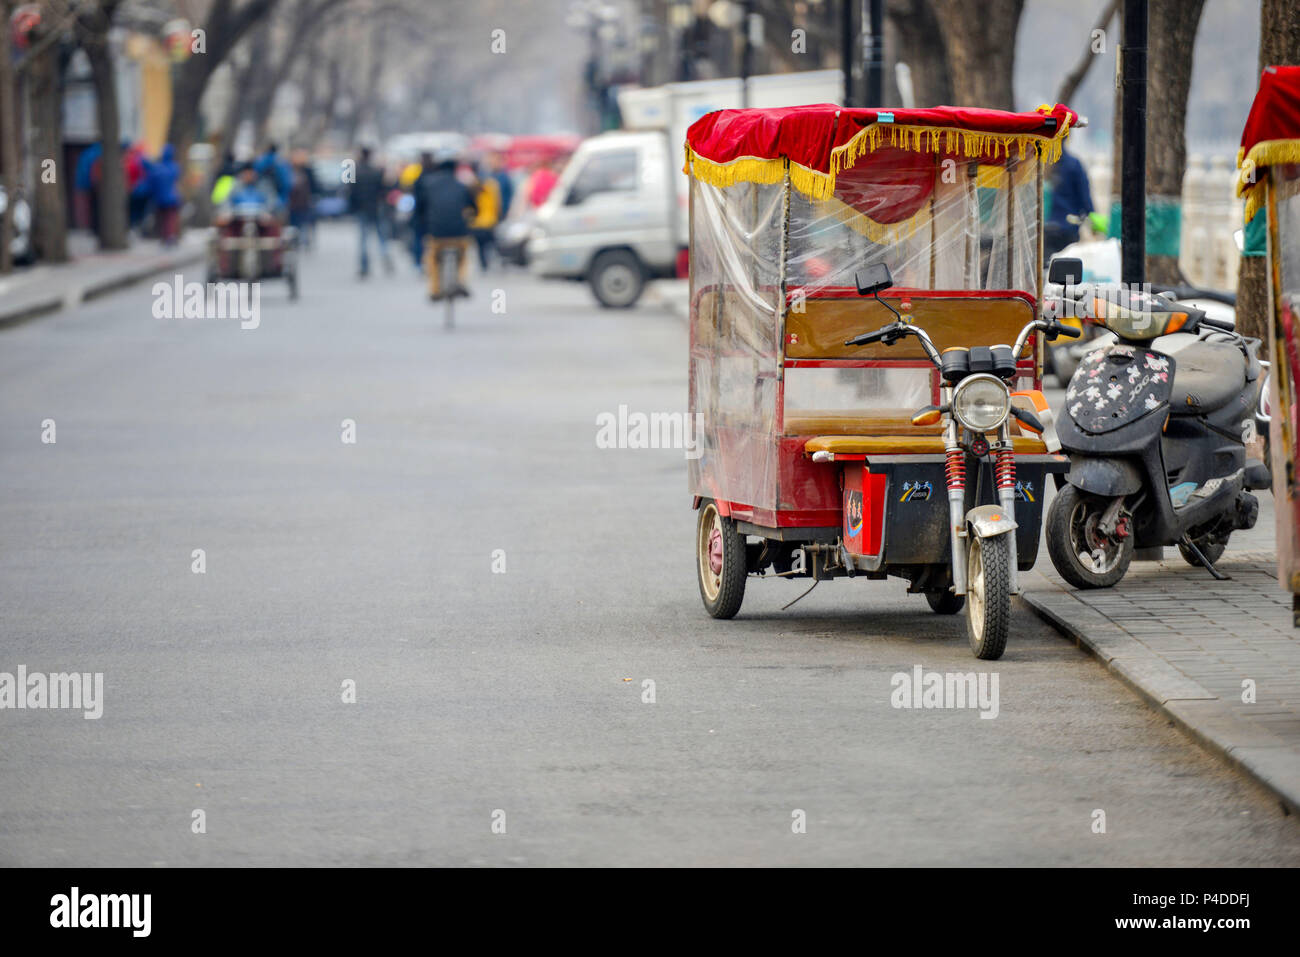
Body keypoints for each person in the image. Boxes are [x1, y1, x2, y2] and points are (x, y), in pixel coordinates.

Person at [413, 149, 477, 300]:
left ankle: (434, 290)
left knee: (432, 258)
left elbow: (419, 210)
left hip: (436, 232)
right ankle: (461, 281)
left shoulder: (428, 186)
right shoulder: (462, 186)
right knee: (463, 257)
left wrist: (421, 225)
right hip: (459, 233)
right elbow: (474, 208)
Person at [349, 146, 392, 277]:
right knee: (381, 237)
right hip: (376, 208)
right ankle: (385, 257)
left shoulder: (354, 171)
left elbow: (351, 192)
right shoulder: (377, 171)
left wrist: (353, 207)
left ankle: (364, 265)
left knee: (363, 239)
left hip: (362, 208)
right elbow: (384, 189)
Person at [1045, 145, 1094, 259]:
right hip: (1068, 229)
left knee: (1048, 268)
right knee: (1066, 270)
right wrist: (1090, 217)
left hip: (1046, 230)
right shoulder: (1074, 164)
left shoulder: (1041, 164)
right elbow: (1085, 198)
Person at [145, 144, 182, 245]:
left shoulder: (157, 168)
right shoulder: (174, 167)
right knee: (170, 218)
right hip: (172, 198)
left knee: (161, 218)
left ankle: (164, 237)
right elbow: (176, 180)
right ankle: (170, 237)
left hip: (159, 198)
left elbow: (151, 182)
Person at [469, 162, 502, 271]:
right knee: (492, 244)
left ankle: (484, 265)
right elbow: (497, 204)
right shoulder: (492, 185)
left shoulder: (473, 187)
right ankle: (496, 262)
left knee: (481, 247)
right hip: (489, 221)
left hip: (477, 222)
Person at [288, 148, 319, 251]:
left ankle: (304, 241)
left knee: (305, 223)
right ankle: (296, 241)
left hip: (304, 202)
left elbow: (314, 185)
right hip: (293, 203)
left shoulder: (307, 170)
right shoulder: (289, 170)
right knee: (294, 223)